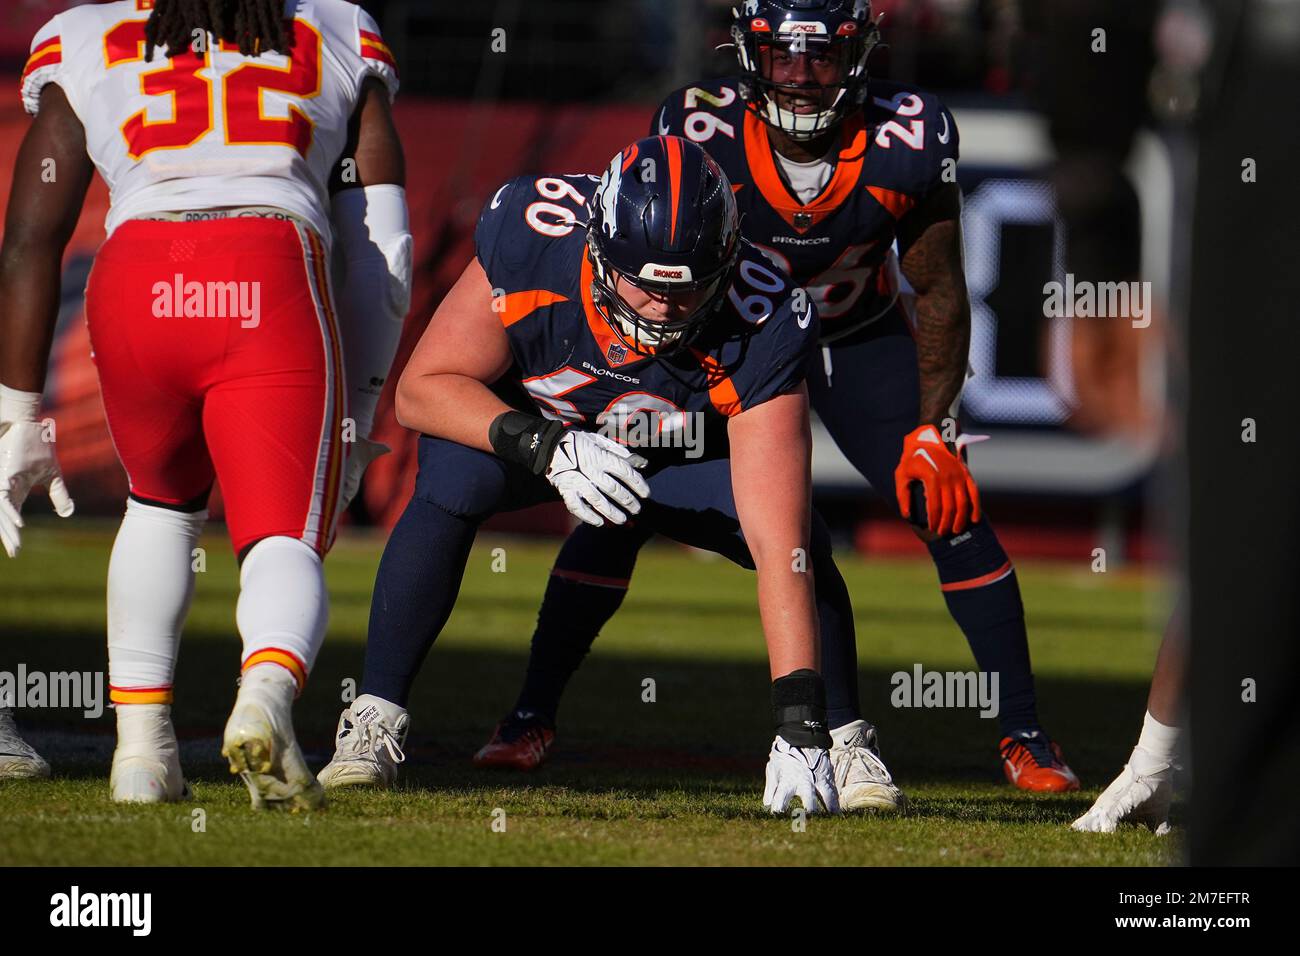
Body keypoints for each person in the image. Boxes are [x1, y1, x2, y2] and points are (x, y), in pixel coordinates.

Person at [480, 0, 1079, 792]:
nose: (799, 78)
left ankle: (1025, 735)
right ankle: (530, 715)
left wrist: (936, 426)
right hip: (733, 350)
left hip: (856, 342)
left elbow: (935, 289)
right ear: (747, 54)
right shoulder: (698, 125)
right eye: (781, 55)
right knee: (622, 502)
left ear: (860, 54)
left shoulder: (911, 134)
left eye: (821, 56)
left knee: (949, 506)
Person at [317, 134, 903, 813]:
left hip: (682, 453)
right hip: (547, 429)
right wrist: (547, 447)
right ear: (598, 248)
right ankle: (376, 716)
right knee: (455, 482)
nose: (661, 308)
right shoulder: (534, 238)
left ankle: (840, 737)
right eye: (644, 283)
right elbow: (422, 388)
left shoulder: (765, 312)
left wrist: (793, 724)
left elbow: (782, 545)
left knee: (803, 537)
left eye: (686, 292)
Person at [0, 0, 410, 809]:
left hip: (140, 277)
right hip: (266, 269)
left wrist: (16, 415)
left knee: (156, 509)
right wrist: (362, 404)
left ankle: (141, 756)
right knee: (281, 537)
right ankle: (264, 694)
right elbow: (384, 250)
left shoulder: (84, 33)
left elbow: (29, 241)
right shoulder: (333, 25)